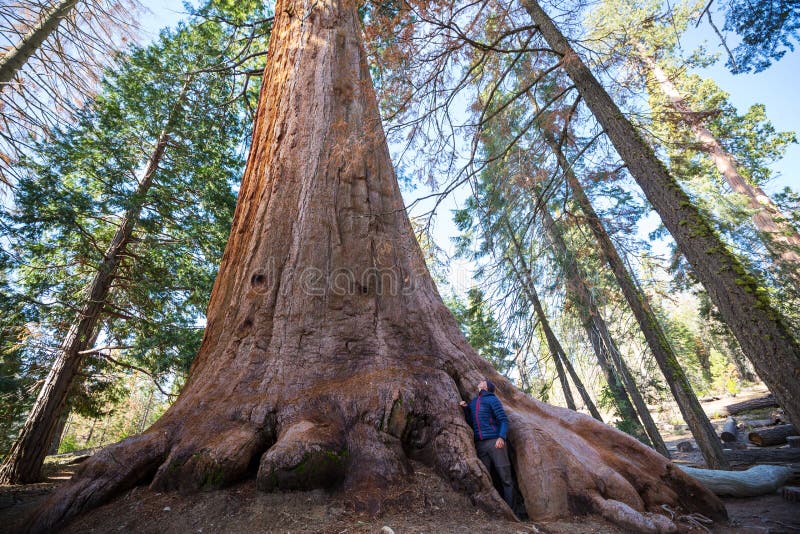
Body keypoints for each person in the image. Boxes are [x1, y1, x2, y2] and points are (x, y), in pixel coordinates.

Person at [460, 379, 514, 508]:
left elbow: (503, 420)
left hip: (495, 442)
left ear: (487, 387)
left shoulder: (492, 399)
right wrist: (466, 409)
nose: (480, 381)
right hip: (480, 445)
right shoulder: (473, 403)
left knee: (505, 477)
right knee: (486, 479)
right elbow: (471, 421)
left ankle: (512, 510)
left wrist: (501, 437)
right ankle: (495, 509)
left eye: (483, 381)